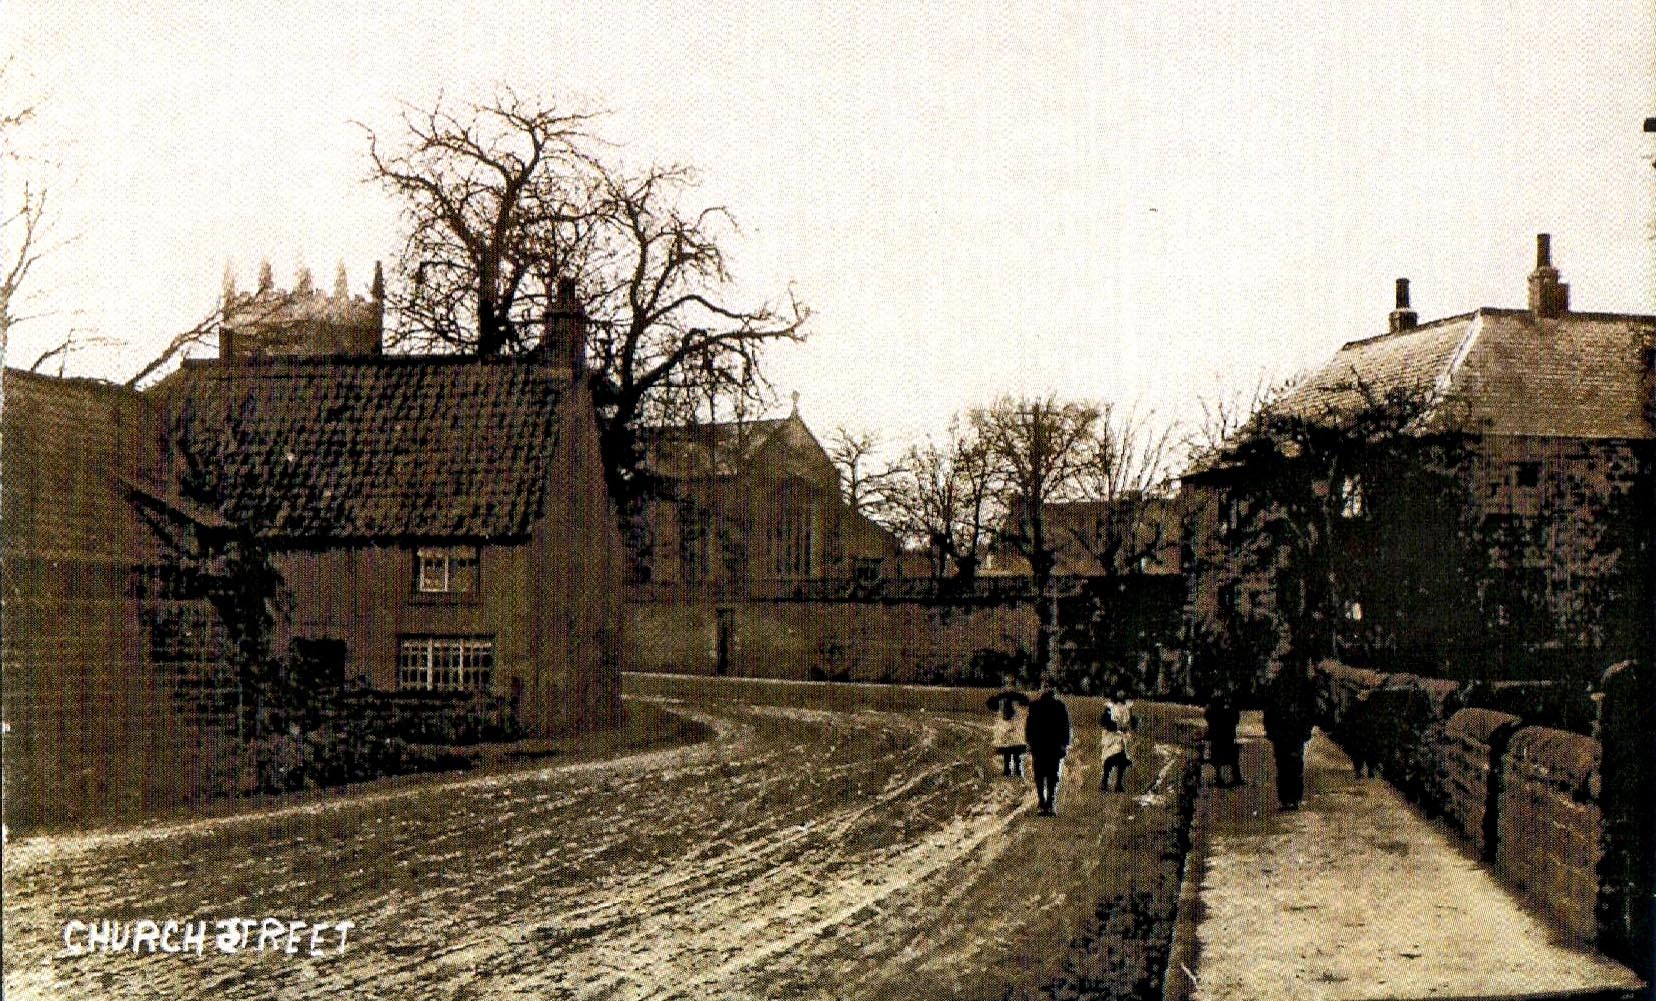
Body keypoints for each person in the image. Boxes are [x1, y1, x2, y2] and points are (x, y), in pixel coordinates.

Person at [1262, 664, 1316, 810]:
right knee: (1295, 765)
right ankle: (1293, 798)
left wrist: (1270, 730)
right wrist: (1307, 729)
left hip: (1282, 732)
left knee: (1283, 765)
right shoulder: (1303, 685)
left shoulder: (1276, 685)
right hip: (1294, 731)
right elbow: (1310, 710)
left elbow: (1269, 710)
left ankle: (1286, 798)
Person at [1024, 678, 1072, 816]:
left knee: (1051, 776)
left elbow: (1065, 726)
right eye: (1045, 686)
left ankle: (1049, 802)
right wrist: (1029, 742)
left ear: (1053, 689)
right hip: (1041, 746)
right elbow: (1030, 726)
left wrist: (1064, 743)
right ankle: (1042, 801)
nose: (1047, 689)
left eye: (1049, 686)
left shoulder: (1059, 706)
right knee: (1041, 775)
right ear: (1041, 688)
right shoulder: (1036, 706)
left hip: (1052, 746)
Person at [985, 677, 1031, 778]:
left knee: (1011, 751)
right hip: (1013, 728)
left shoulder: (1008, 696)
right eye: (1008, 684)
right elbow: (990, 704)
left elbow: (990, 704)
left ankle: (1012, 772)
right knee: (1012, 751)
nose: (1009, 686)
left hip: (1012, 727)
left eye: (1010, 684)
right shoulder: (1015, 696)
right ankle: (1013, 772)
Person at [1203, 692, 1244, 788]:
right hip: (1226, 738)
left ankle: (1220, 778)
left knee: (1219, 759)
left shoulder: (1213, 712)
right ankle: (1235, 777)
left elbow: (1207, 717)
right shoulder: (1227, 712)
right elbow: (1236, 720)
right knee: (1231, 759)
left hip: (1218, 738)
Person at [1098, 711, 1130, 793]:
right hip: (1108, 757)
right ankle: (1106, 784)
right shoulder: (1106, 733)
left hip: (1116, 756)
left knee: (1120, 762)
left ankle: (1117, 785)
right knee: (1107, 768)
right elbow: (1105, 742)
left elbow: (1125, 743)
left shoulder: (1119, 734)